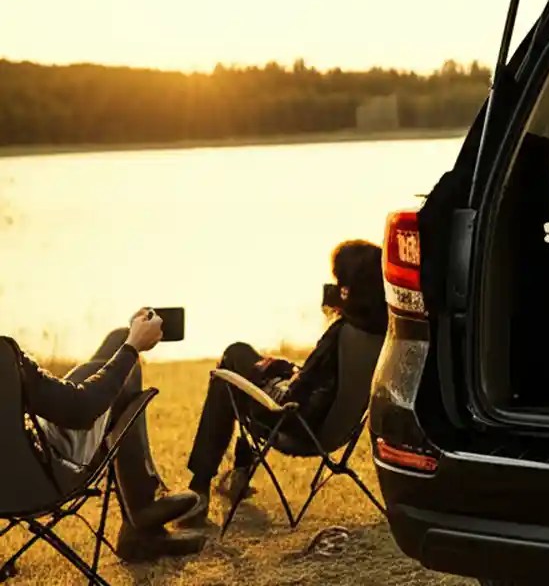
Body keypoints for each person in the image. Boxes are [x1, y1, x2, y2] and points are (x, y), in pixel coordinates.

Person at [180, 240, 388, 526]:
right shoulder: (385, 334)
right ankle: (239, 469)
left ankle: (199, 489)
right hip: (337, 431)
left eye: (338, 280)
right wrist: (285, 368)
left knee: (232, 361)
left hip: (295, 425)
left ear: (347, 288)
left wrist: (271, 373)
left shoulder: (339, 335)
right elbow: (318, 381)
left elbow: (295, 397)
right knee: (247, 368)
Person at [6, 309, 205, 561]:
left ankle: (143, 517)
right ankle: (142, 513)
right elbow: (81, 410)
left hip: (10, 473)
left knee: (118, 339)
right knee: (123, 366)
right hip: (40, 476)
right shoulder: (4, 356)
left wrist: (128, 341)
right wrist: (133, 348)